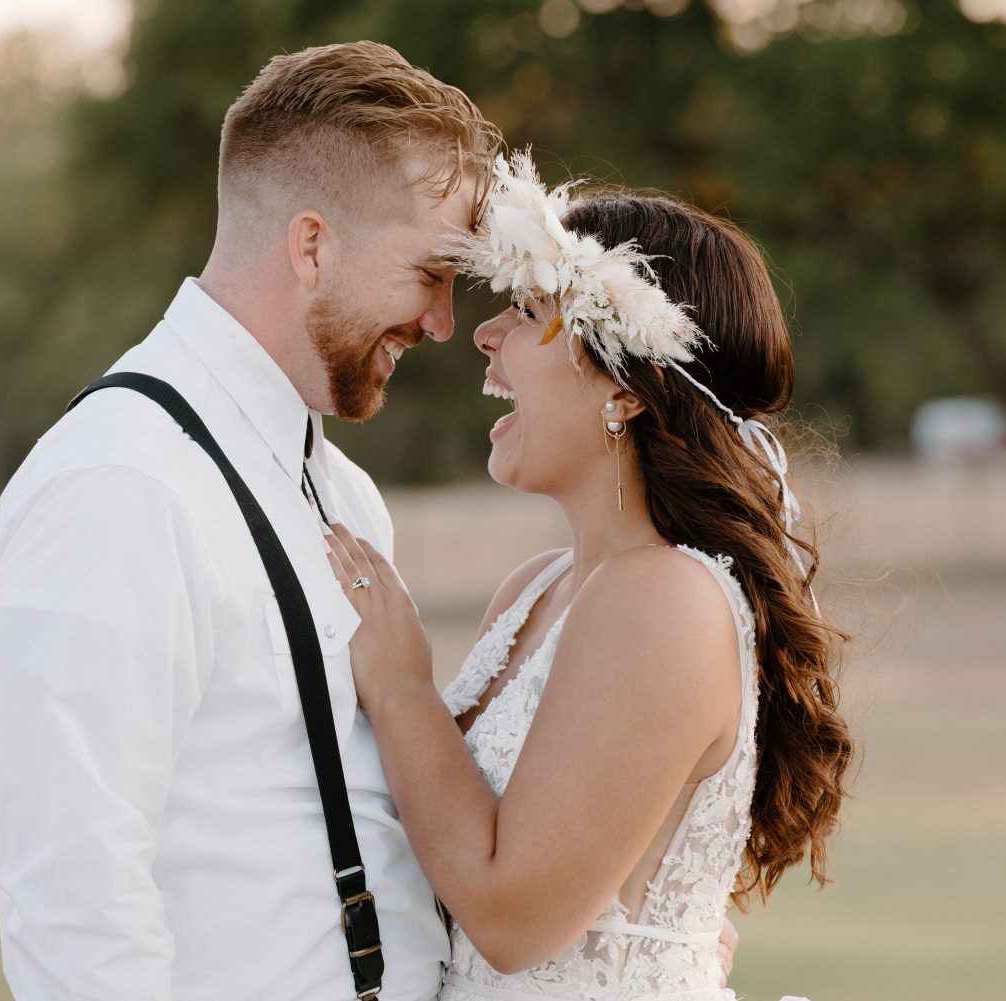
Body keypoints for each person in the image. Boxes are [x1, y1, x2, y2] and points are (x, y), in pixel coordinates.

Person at [0, 41, 500, 1001]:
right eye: (431, 272)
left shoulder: (345, 495)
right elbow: (74, 895)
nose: (441, 322)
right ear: (312, 246)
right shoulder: (118, 483)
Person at [324, 154, 854, 1000]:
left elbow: (509, 919)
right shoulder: (535, 591)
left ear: (627, 387)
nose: (485, 334)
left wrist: (400, 687)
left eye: (528, 309)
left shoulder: (665, 601)